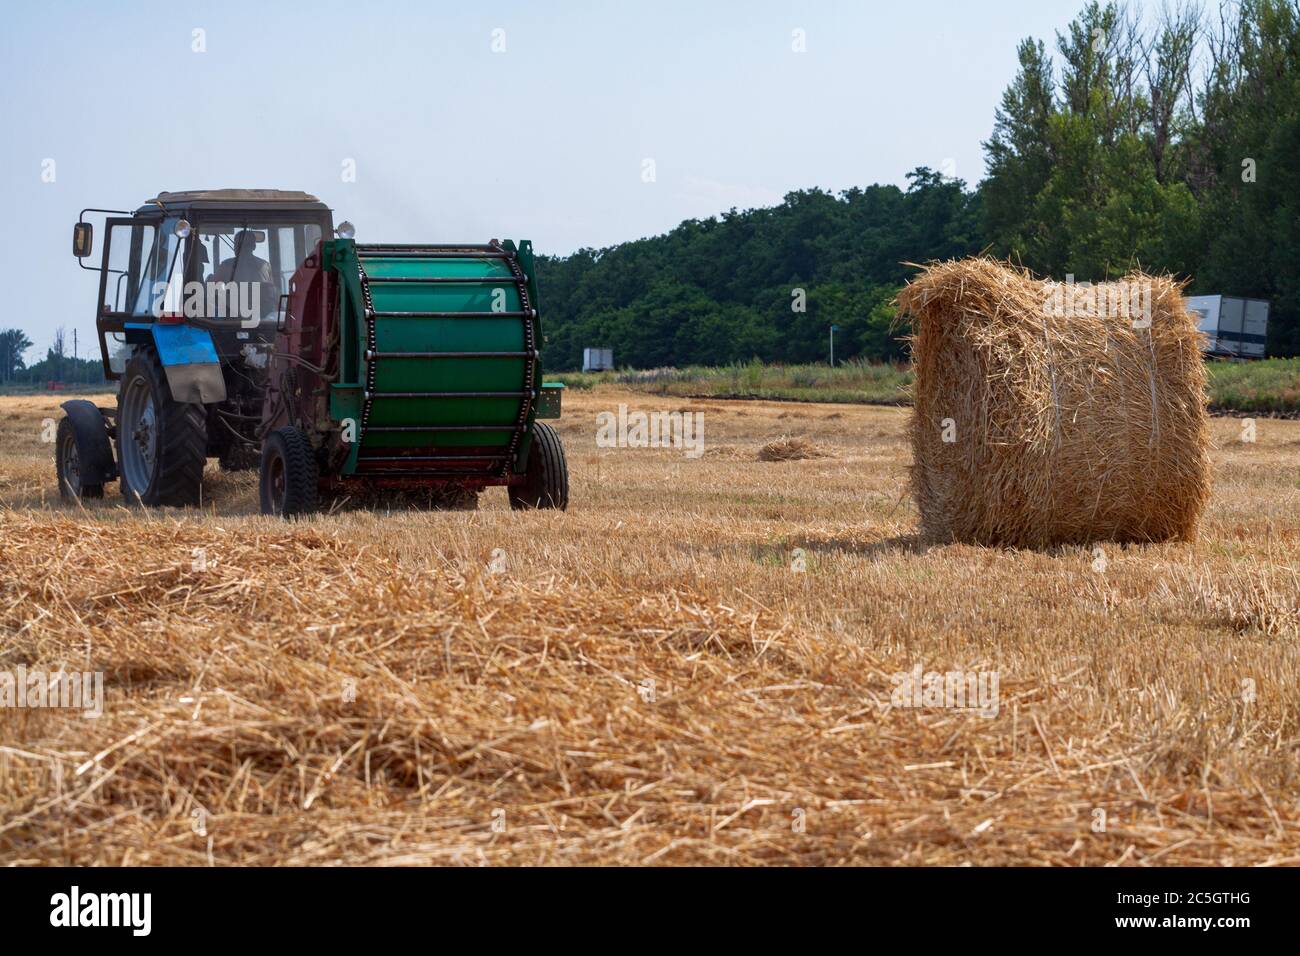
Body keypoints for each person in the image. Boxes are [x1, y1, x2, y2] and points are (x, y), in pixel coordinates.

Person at [208, 230, 276, 319]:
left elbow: (211, 288)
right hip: (261, 318)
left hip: (232, 318)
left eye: (236, 244)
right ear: (254, 246)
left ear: (236, 247)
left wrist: (209, 280)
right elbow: (273, 292)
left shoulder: (226, 265)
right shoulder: (265, 266)